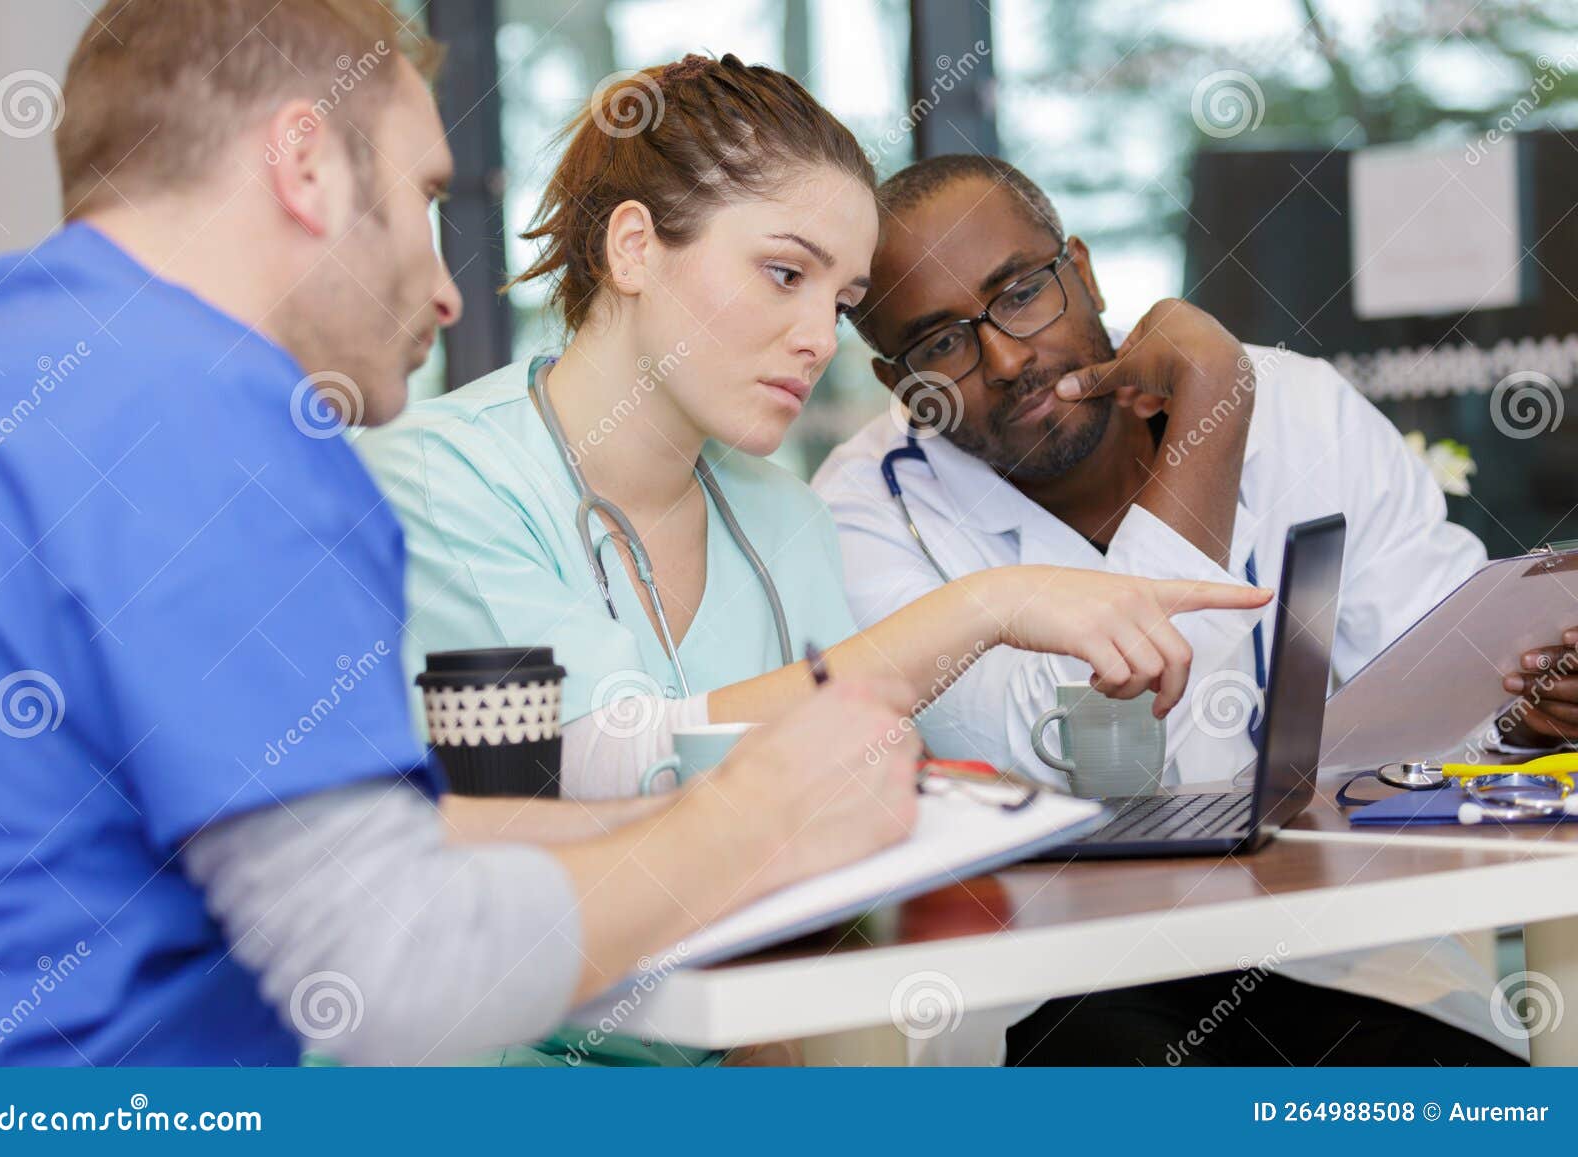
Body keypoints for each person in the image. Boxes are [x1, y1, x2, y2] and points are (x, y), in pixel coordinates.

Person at [0, 0, 924, 1067]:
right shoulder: (216, 413)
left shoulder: (31, 355)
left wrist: (732, 807)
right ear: (305, 164)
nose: (441, 290)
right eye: (425, 194)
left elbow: (349, 846)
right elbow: (393, 974)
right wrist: (757, 815)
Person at [353, 54, 1270, 1067]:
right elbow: (614, 760)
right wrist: (988, 605)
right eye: (783, 274)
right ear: (633, 248)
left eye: (839, 302)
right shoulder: (435, 482)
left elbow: (829, 864)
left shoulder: (782, 517)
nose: (814, 336)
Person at [813, 152, 1530, 1064]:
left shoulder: (1303, 407)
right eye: (941, 344)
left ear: (1085, 271)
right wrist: (1210, 419)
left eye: (1023, 293)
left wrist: (1521, 707)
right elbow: (1054, 736)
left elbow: (1451, 668)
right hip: (1065, 995)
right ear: (894, 382)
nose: (1004, 357)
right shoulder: (866, 516)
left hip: (1350, 961)